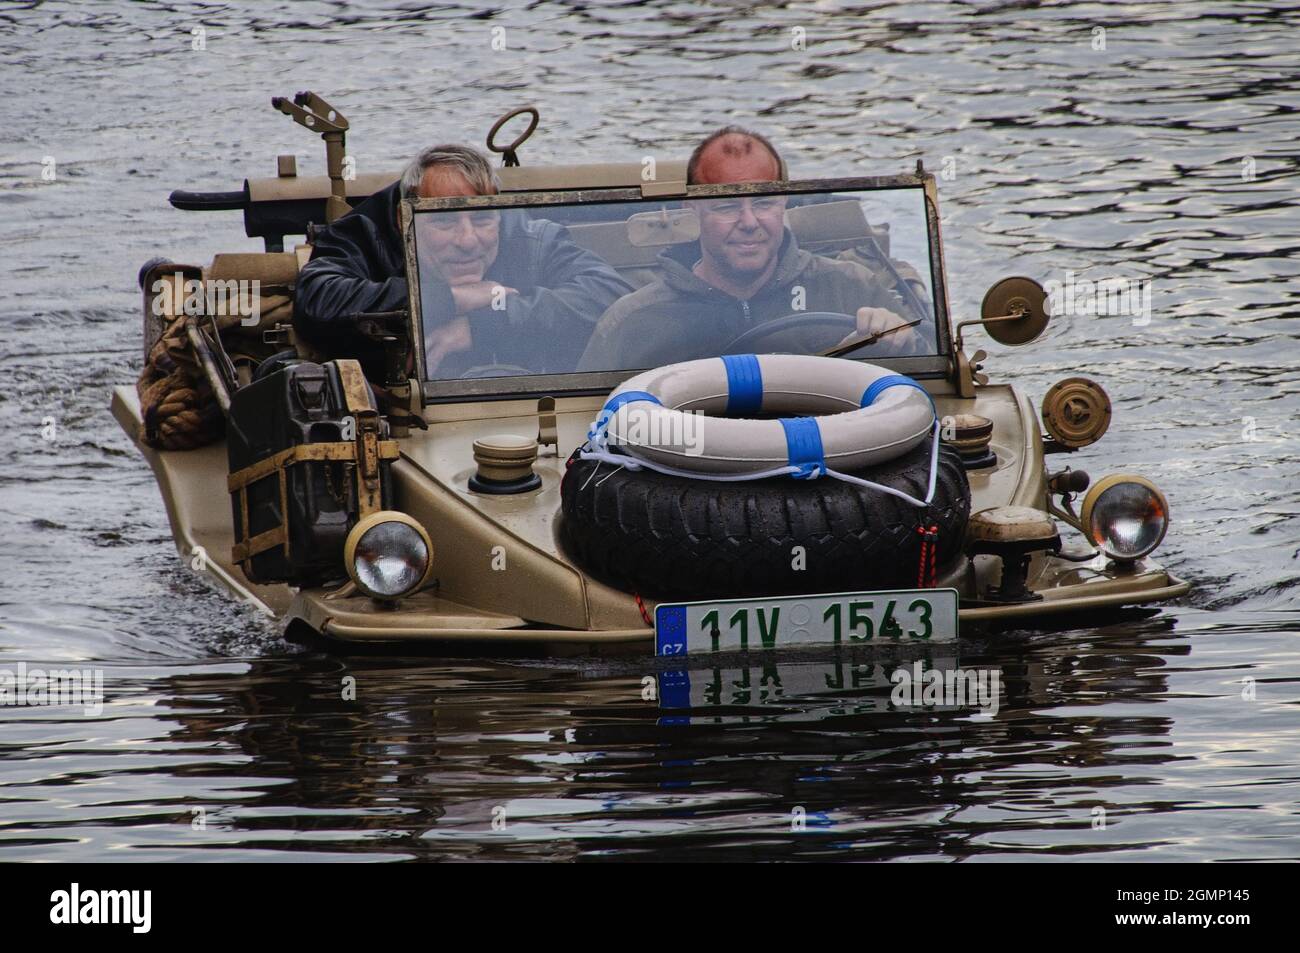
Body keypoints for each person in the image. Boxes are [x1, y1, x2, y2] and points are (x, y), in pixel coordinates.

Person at [578, 127, 931, 371]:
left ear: (784, 203)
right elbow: (591, 427)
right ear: (693, 209)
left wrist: (899, 340)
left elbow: (927, 385)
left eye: (763, 203)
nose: (749, 222)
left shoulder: (851, 288)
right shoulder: (632, 322)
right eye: (727, 206)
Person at [295, 144, 631, 379]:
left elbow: (613, 298)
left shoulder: (532, 237)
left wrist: (485, 326)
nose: (468, 241)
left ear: (497, 211)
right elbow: (317, 301)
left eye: (482, 220)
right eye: (444, 221)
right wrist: (448, 299)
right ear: (403, 220)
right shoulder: (363, 237)